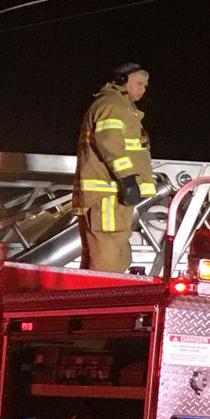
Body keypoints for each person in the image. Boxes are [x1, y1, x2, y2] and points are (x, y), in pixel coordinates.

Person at [74, 62, 154, 274]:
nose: (143, 89)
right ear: (122, 80)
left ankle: (102, 292)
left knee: (113, 249)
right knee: (108, 253)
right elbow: (109, 142)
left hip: (111, 193)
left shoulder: (119, 107)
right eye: (139, 83)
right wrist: (127, 178)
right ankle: (102, 294)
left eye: (145, 86)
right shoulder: (112, 105)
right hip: (109, 193)